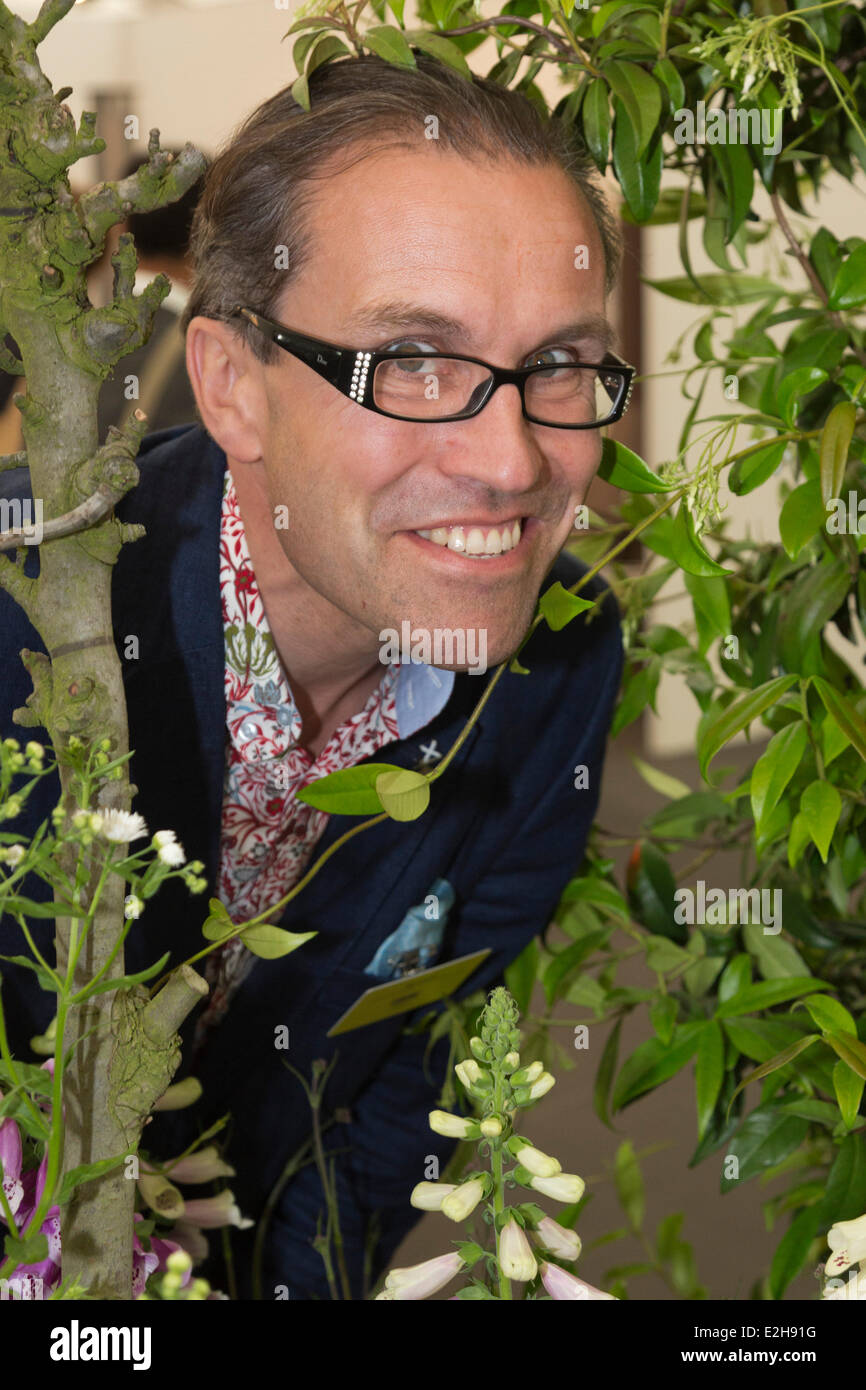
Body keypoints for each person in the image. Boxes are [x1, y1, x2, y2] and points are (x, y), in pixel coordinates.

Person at [0, 52, 629, 1300]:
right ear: (232, 385)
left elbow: (375, 1104)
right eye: (410, 359)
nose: (509, 463)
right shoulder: (35, 607)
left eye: (557, 363)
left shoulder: (556, 664)